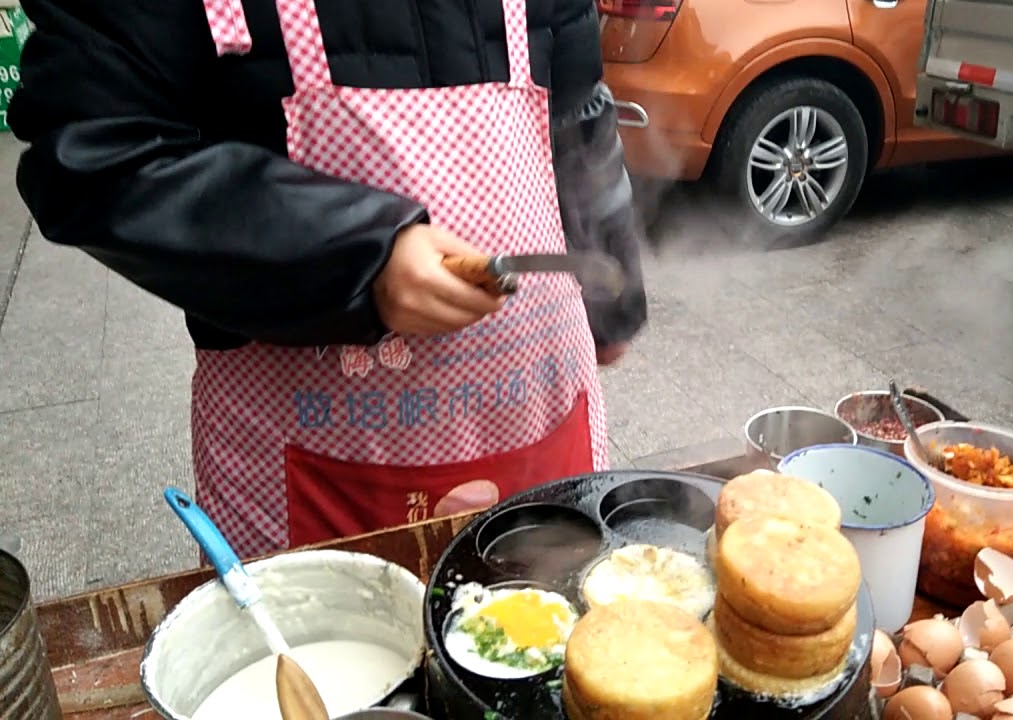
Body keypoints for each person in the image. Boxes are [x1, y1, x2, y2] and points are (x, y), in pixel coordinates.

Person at [11, 0, 647, 558]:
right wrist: (358, 255)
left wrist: (614, 303)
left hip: (540, 421)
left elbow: (577, 109)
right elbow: (92, 151)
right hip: (313, 472)